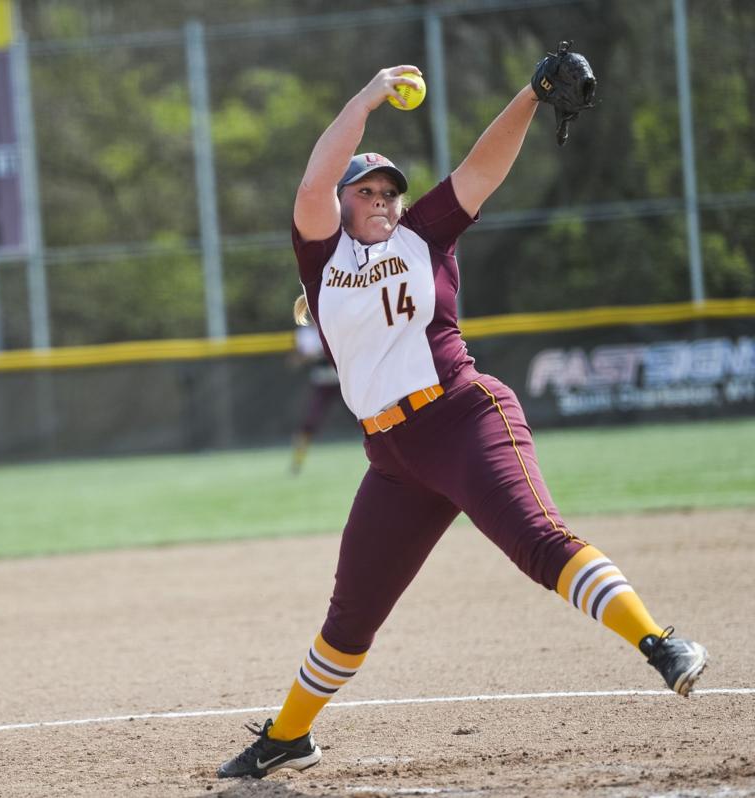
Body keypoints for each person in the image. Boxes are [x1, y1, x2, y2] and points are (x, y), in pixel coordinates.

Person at [217, 61, 708, 780]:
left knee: (538, 542)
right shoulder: (323, 260)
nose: (383, 198)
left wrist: (530, 97)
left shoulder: (425, 236)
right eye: (368, 190)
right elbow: (311, 184)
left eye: (390, 190)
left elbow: (482, 168)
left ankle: (661, 643)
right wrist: (369, 95)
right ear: (343, 204)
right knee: (351, 615)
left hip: (462, 416)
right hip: (393, 457)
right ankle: (289, 737)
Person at [287, 320, 345, 475]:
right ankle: (296, 463)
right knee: (309, 423)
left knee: (368, 416)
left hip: (343, 382)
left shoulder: (333, 322)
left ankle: (384, 455)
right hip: (322, 383)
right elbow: (294, 361)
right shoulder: (305, 333)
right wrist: (310, 355)